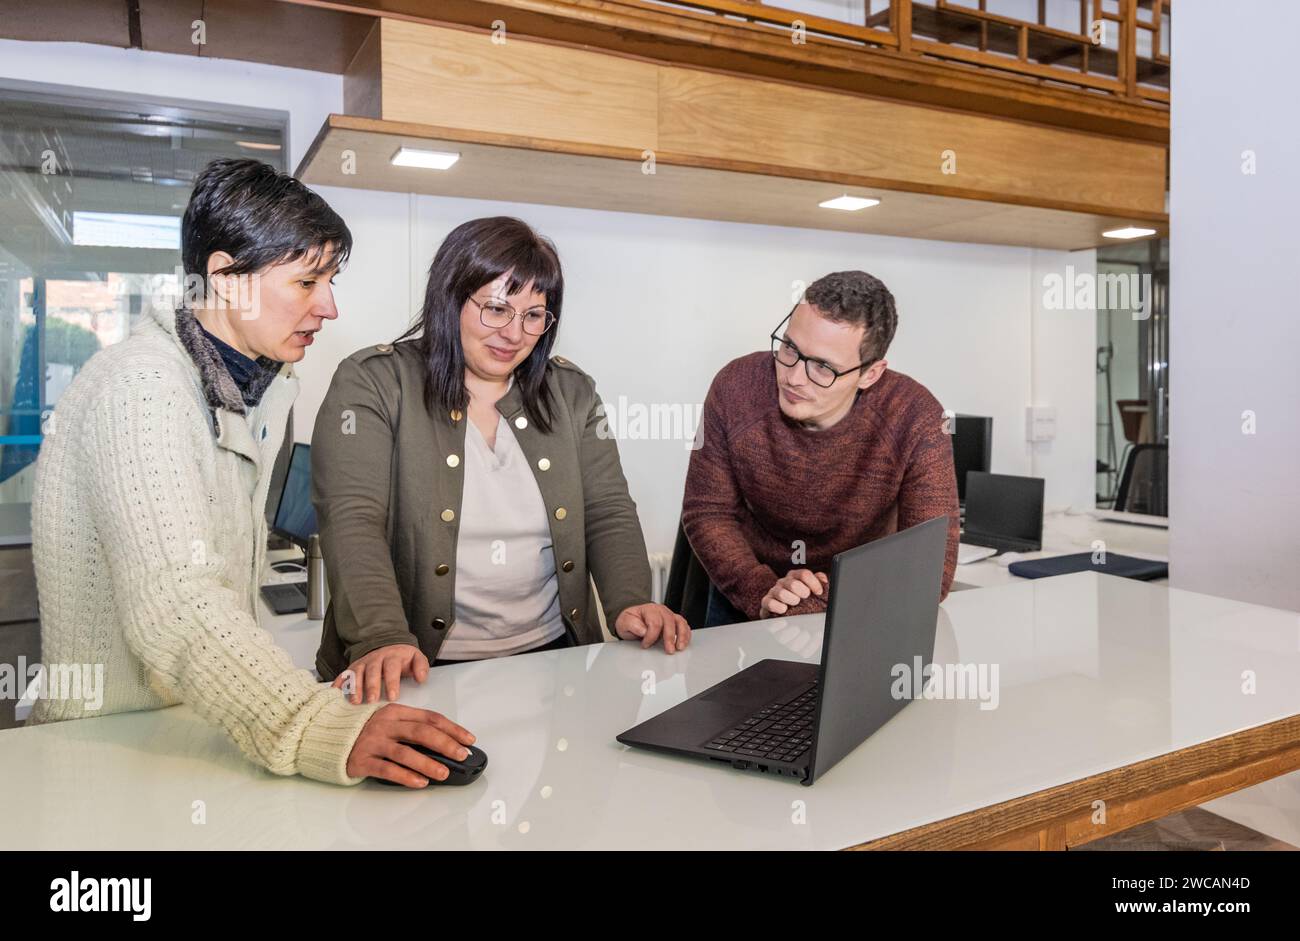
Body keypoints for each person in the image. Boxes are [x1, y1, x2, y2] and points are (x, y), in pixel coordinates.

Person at [30, 158, 474, 789]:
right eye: (307, 282)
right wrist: (313, 725)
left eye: (331, 280)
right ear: (226, 279)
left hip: (192, 728)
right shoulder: (143, 386)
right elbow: (177, 603)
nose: (329, 307)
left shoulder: (257, 389)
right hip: (109, 752)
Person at [312, 216, 690, 702]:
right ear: (449, 299)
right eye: (495, 308)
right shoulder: (375, 382)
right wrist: (381, 635)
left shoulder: (571, 392)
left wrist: (631, 601)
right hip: (417, 665)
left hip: (555, 656)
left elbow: (608, 509)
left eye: (534, 315)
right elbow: (353, 519)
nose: (514, 333)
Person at [682, 270, 959, 626]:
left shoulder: (916, 417)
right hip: (746, 588)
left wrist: (818, 603)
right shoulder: (735, 387)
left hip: (862, 603)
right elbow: (708, 512)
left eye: (823, 367)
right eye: (790, 349)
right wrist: (766, 593)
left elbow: (931, 568)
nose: (794, 377)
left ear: (870, 374)